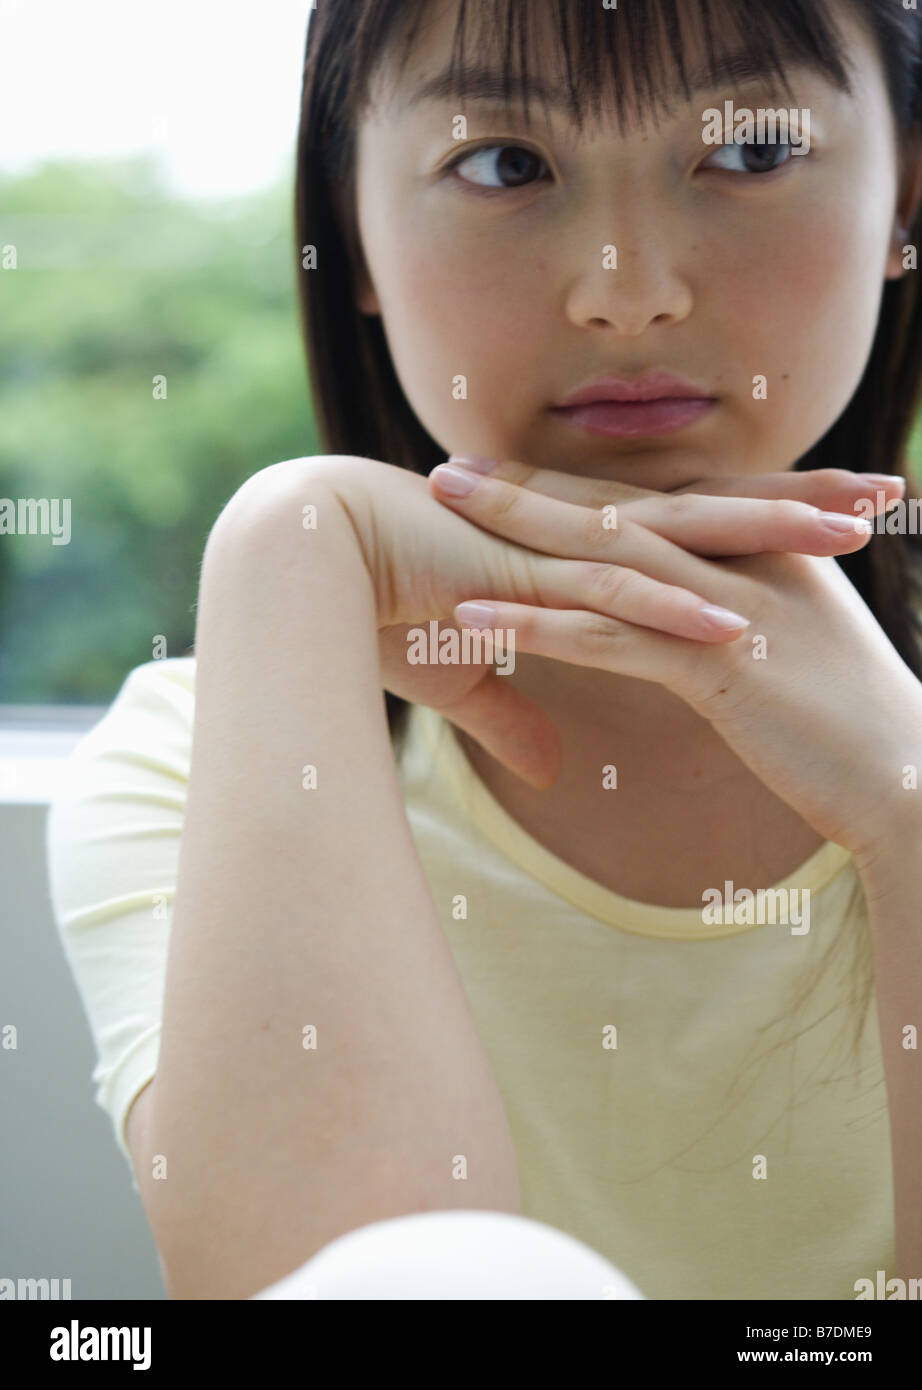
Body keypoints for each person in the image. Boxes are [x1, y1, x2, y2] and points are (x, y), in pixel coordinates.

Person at [47, 0, 922, 1301]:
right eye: (505, 164)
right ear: (346, 228)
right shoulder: (194, 761)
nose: (627, 292)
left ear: (905, 194)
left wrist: (902, 800)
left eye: (747, 152)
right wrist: (290, 547)